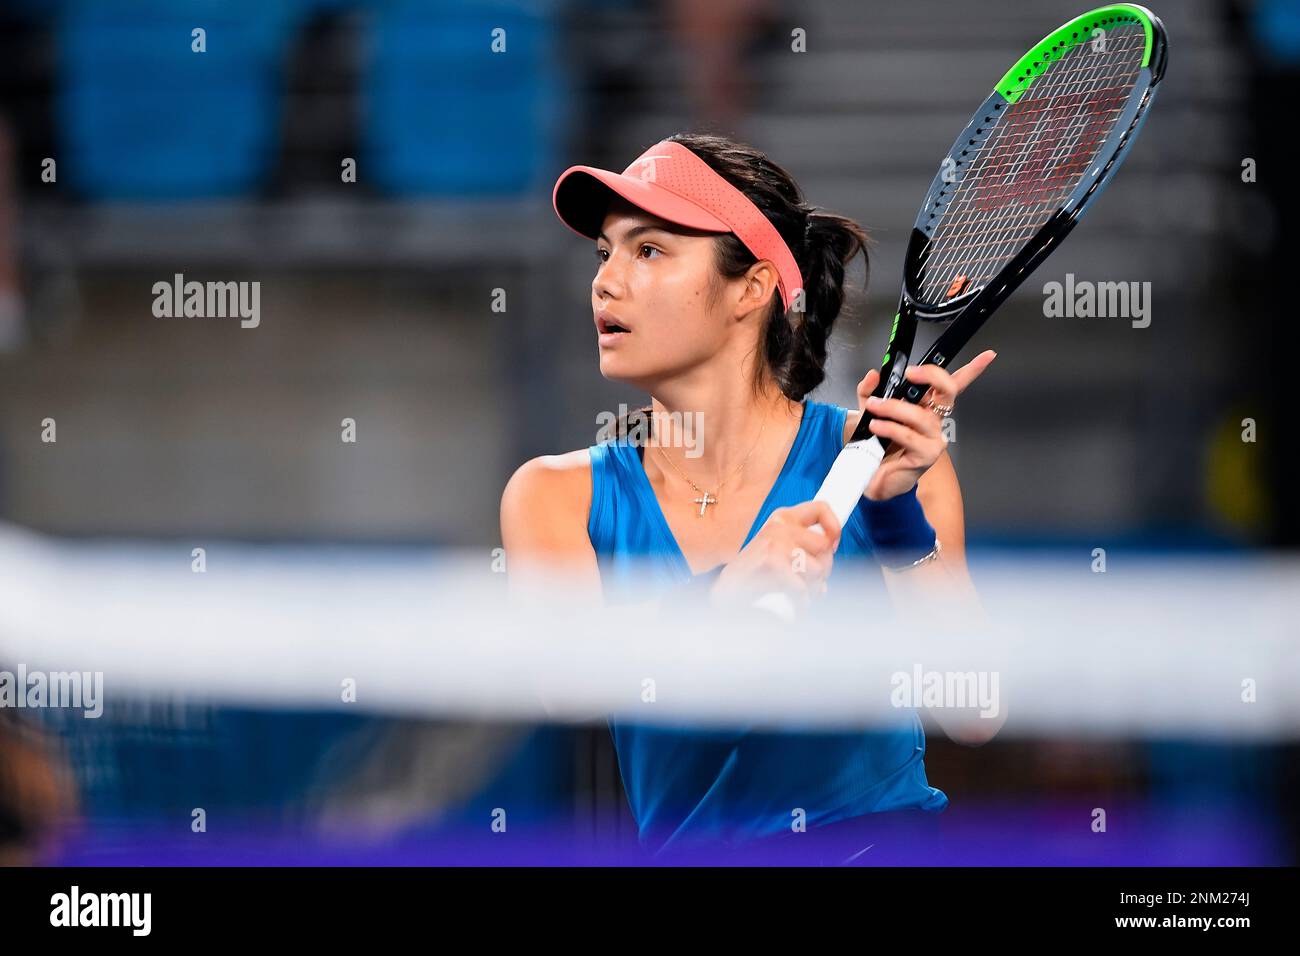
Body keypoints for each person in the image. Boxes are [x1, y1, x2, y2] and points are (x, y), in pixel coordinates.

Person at [501, 132, 999, 857]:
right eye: (605, 253)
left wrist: (895, 518)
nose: (605, 282)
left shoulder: (884, 465)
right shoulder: (553, 494)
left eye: (649, 251)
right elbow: (568, 684)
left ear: (752, 287)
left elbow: (975, 710)